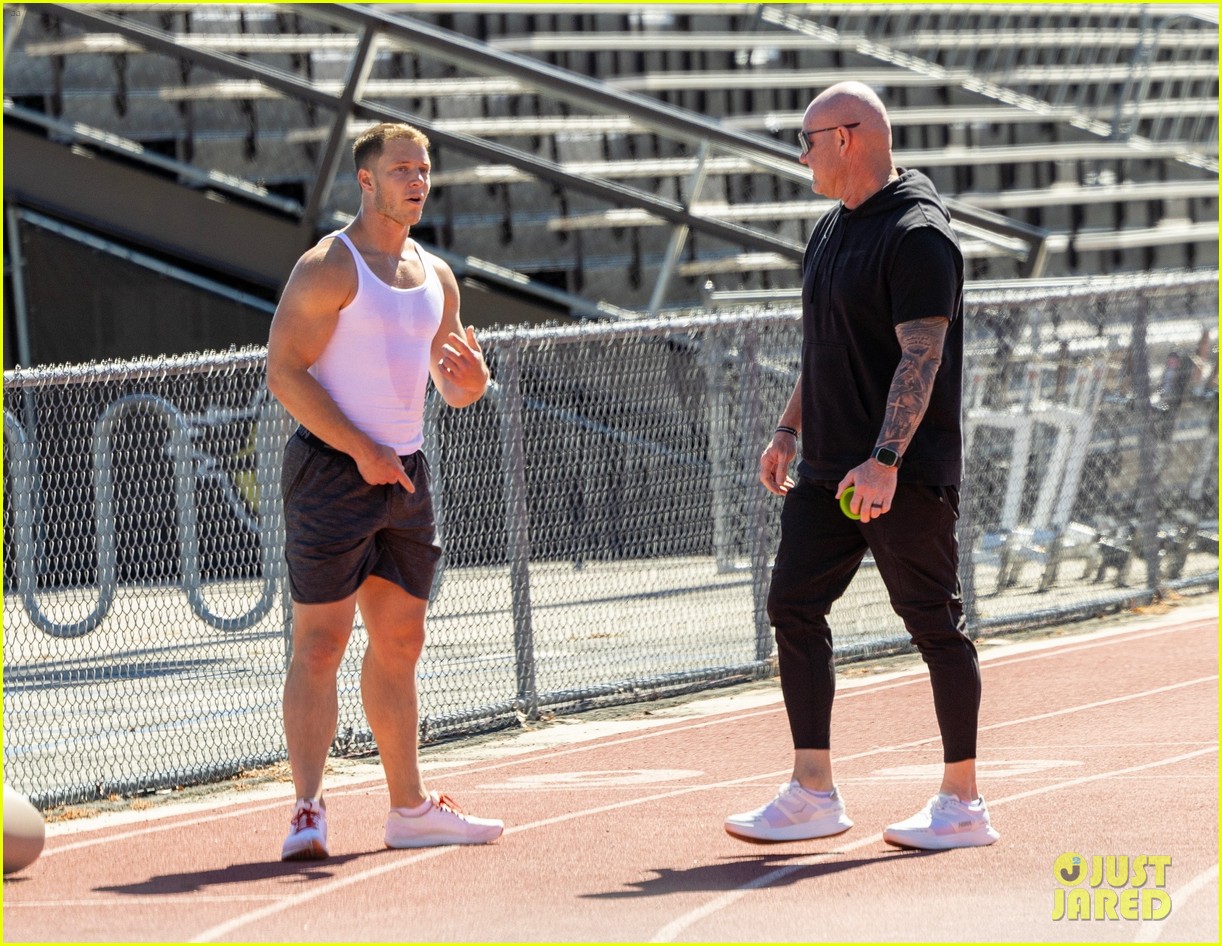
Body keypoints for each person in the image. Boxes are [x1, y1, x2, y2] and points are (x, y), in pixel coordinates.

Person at [723, 82, 999, 850]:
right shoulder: (831, 227)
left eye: (805, 140)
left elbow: (923, 355)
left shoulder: (917, 234)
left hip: (895, 473)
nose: (799, 155)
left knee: (935, 628)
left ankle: (963, 801)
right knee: (793, 607)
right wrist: (787, 429)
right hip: (825, 470)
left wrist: (884, 461)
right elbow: (830, 346)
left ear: (846, 138)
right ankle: (813, 789)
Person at [266, 121, 502, 860]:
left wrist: (472, 384)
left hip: (404, 472)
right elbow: (284, 371)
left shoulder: (436, 275)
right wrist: (358, 448)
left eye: (425, 169)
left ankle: (408, 809)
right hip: (334, 472)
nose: (417, 181)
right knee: (321, 643)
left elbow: (453, 379)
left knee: (401, 639)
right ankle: (307, 808)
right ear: (366, 181)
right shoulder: (328, 265)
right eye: (402, 168)